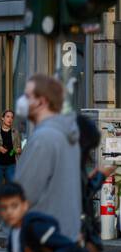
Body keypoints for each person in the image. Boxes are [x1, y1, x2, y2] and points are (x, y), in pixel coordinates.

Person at [14, 74, 81, 242]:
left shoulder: (43, 139)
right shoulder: (67, 135)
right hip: (64, 237)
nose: (22, 101)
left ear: (42, 101)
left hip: (43, 240)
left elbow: (24, 193)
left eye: (28, 96)